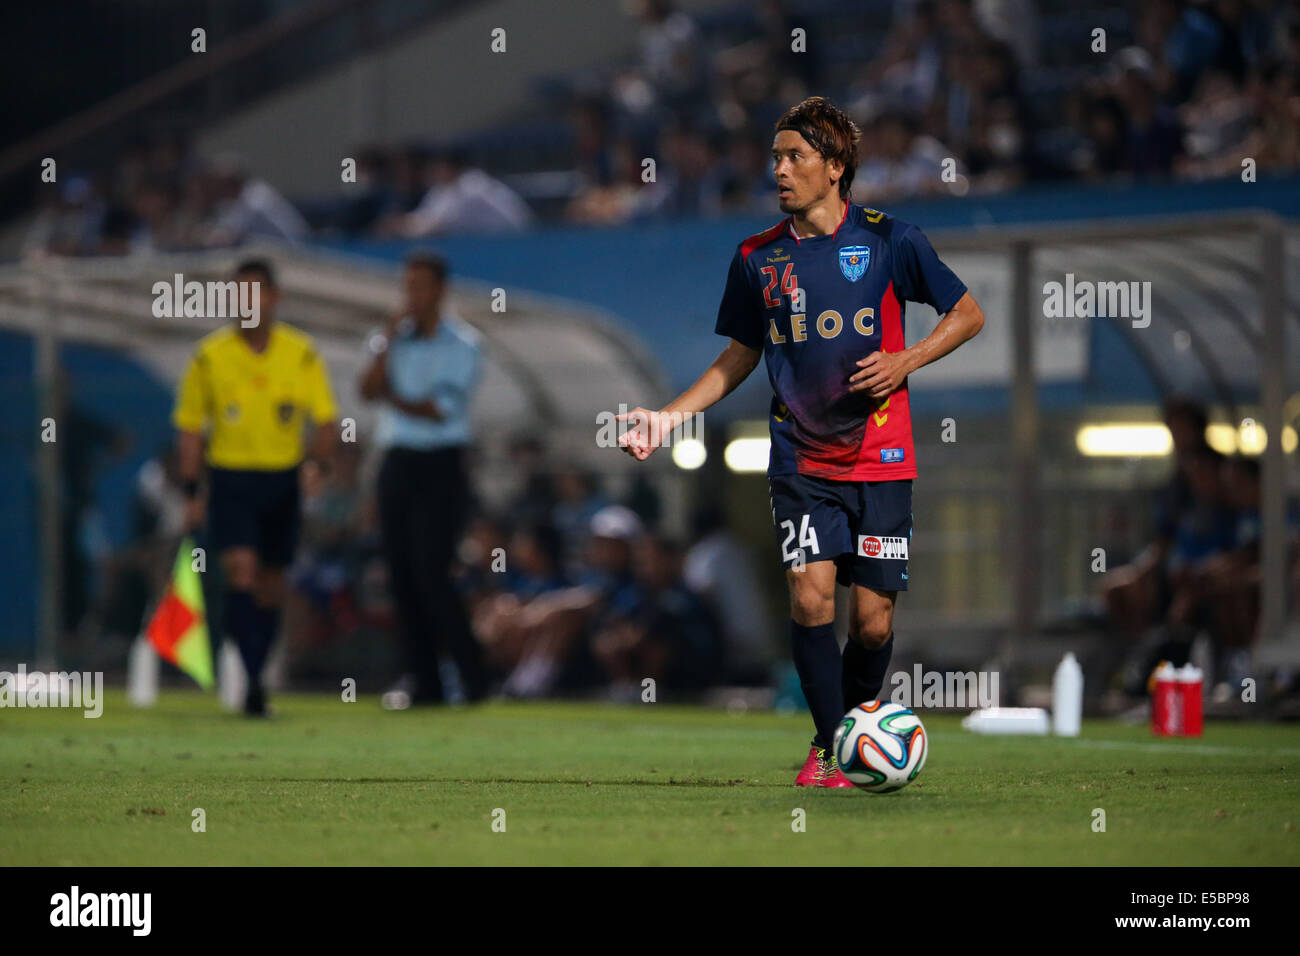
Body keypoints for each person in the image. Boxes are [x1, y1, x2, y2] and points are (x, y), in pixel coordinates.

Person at [617, 96, 984, 786]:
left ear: (836, 167)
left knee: (871, 623)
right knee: (809, 596)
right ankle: (832, 745)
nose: (779, 170)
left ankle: (855, 723)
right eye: (776, 157)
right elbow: (739, 356)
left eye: (796, 157)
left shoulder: (890, 240)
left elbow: (967, 314)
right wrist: (669, 417)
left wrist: (906, 360)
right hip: (800, 458)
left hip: (883, 457)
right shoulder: (757, 257)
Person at [173, 259, 338, 715]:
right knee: (241, 571)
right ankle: (250, 679)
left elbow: (326, 422)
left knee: (271, 583)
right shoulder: (209, 356)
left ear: (274, 298)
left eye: (256, 293)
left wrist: (317, 467)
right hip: (231, 479)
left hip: (283, 480)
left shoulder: (301, 353)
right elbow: (190, 430)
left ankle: (255, 671)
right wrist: (191, 492)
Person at [360, 250, 488, 708]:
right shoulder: (391, 340)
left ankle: (474, 679)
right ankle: (423, 683)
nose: (410, 295)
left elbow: (440, 411)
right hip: (398, 461)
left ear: (439, 290)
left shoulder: (464, 343)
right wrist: (387, 342)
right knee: (401, 577)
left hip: (441, 465)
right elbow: (366, 388)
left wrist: (391, 394)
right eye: (406, 286)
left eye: (419, 286)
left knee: (433, 574)